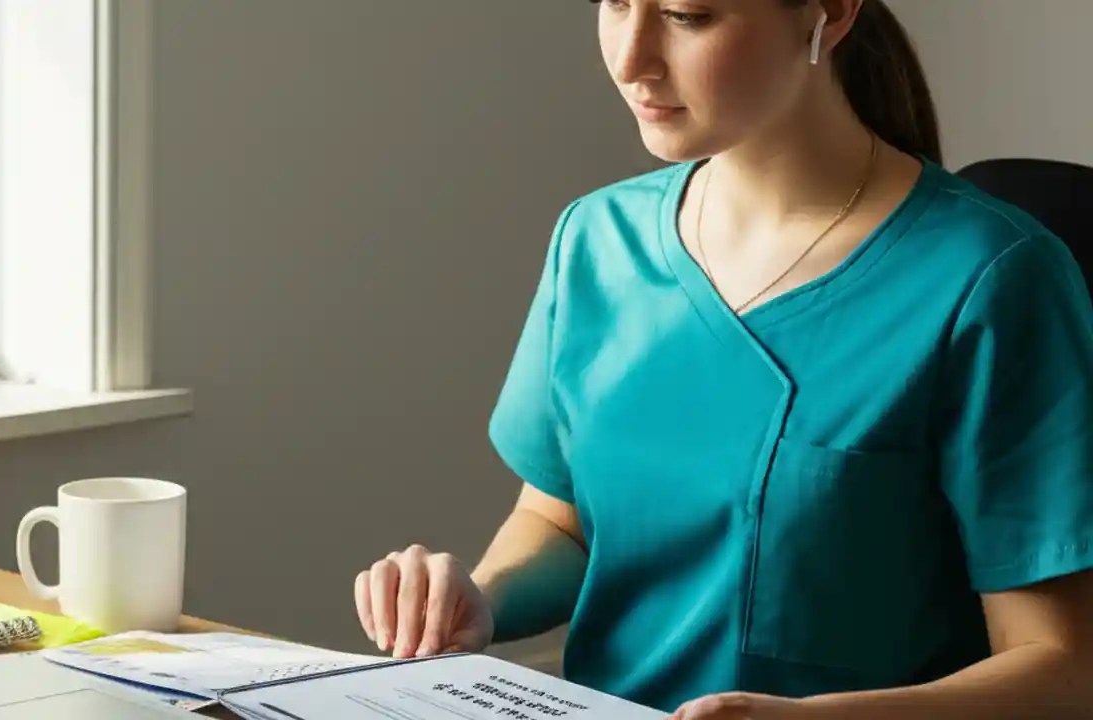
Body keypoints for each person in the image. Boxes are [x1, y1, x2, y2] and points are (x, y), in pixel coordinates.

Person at [354, 1, 1093, 717]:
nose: (630, 60)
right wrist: (480, 600)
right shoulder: (597, 239)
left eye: (686, 16)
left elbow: (1064, 668)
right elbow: (562, 521)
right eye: (613, 3)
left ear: (830, 13)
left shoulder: (991, 279)